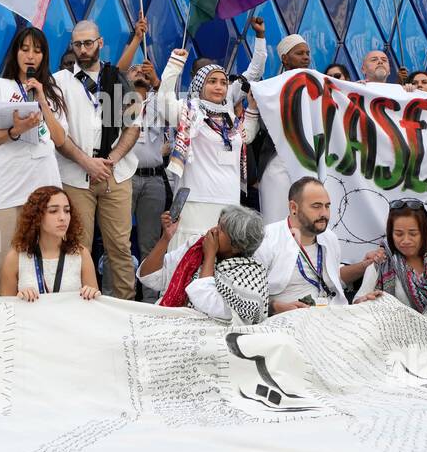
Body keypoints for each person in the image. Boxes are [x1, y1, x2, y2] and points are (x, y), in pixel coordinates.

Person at [53, 20, 142, 298]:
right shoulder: (59, 82)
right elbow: (59, 136)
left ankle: (124, 309)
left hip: (116, 174)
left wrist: (111, 159)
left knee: (120, 247)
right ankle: (78, 310)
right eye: (77, 44)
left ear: (100, 43)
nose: (83, 49)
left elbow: (132, 126)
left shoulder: (118, 78)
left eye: (88, 43)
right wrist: (87, 162)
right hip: (76, 175)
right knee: (77, 246)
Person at [0, 27, 68, 296]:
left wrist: (41, 98)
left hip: (43, 186)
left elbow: (60, 137)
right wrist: (15, 130)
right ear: (15, 52)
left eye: (37, 51)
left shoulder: (52, 90)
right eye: (25, 49)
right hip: (4, 190)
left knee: (45, 264)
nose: (30, 56)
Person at [156, 50, 260, 250]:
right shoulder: (188, 110)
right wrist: (174, 65)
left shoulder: (230, 117)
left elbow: (246, 136)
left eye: (223, 82)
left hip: (228, 202)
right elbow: (164, 104)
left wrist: (253, 109)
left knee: (221, 259)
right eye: (212, 81)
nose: (219, 86)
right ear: (199, 84)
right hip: (195, 201)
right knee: (190, 260)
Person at [138, 205, 269, 325]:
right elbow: (148, 276)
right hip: (169, 322)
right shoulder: (196, 246)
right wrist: (166, 238)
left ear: (236, 246)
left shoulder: (251, 273)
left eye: (221, 230)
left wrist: (210, 256)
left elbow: (206, 302)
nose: (213, 230)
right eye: (217, 224)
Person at [254, 177, 367, 312]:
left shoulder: (329, 237)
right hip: (286, 322)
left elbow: (333, 277)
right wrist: (275, 308)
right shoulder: (266, 239)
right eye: (316, 206)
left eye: (327, 206)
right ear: (294, 207)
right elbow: (247, 296)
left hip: (332, 315)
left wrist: (366, 265)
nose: (324, 213)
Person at [0, 186, 100, 300]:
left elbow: (95, 306)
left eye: (67, 211)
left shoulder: (81, 254)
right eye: (53, 211)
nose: (63, 217)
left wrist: (92, 293)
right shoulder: (15, 257)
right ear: (37, 216)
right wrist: (19, 299)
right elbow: (6, 308)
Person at [249, 32, 308, 222]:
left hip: (308, 161)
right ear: (285, 58)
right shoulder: (269, 88)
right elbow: (264, 126)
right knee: (276, 221)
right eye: (299, 53)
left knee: (306, 220)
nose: (306, 57)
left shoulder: (318, 86)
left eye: (307, 53)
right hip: (277, 161)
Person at [126, 59, 170, 301]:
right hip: (126, 179)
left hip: (153, 180)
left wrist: (156, 81)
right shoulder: (118, 102)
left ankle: (151, 299)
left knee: (151, 243)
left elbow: (173, 110)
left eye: (143, 70)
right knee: (120, 241)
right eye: (134, 71)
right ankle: (123, 297)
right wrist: (129, 84)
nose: (139, 73)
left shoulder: (158, 103)